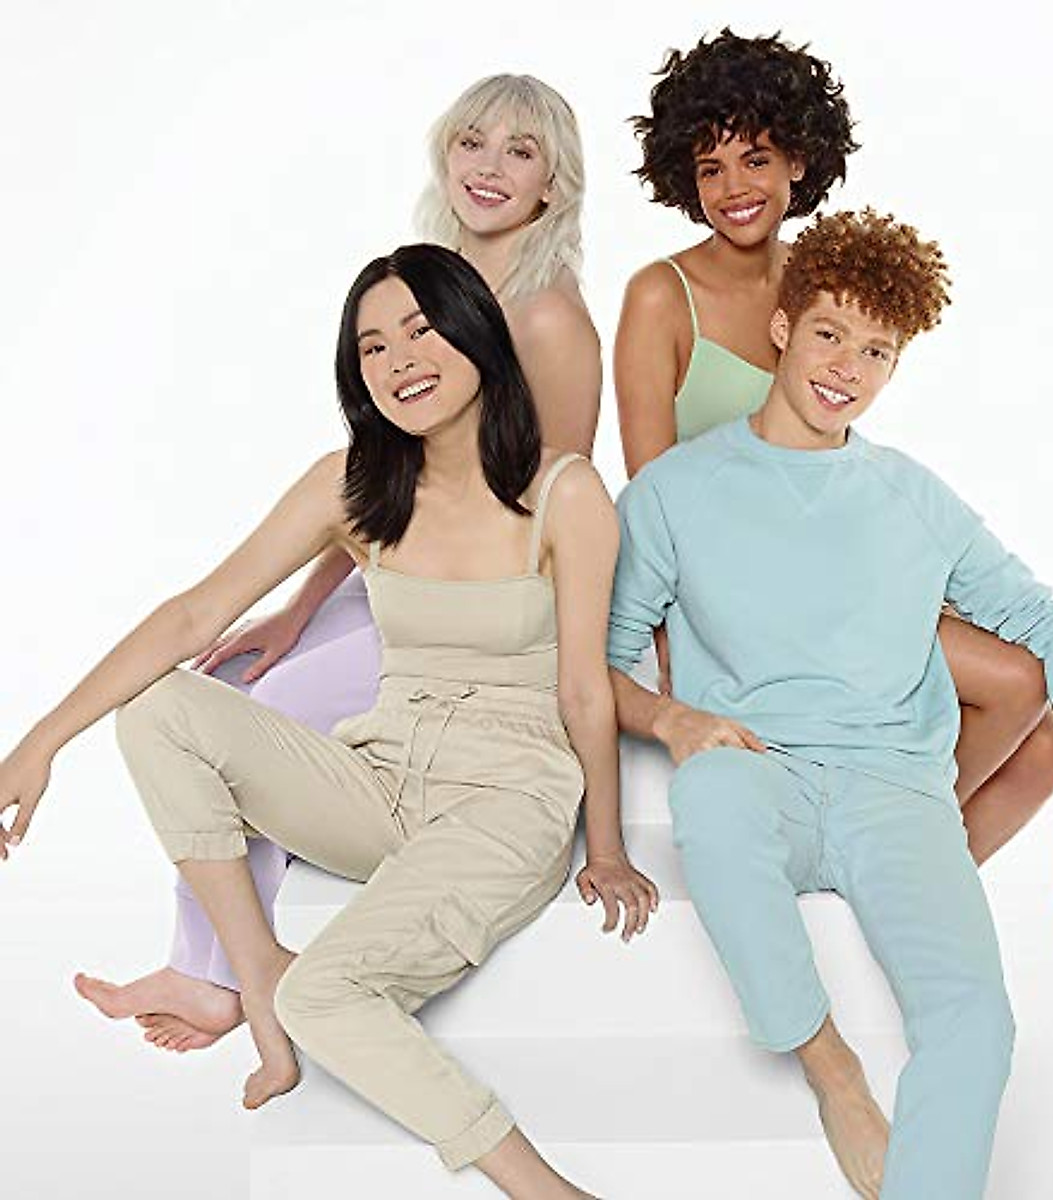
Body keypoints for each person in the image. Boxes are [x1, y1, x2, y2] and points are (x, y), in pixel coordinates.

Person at [0, 243, 656, 1199]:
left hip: (507, 800)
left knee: (331, 993)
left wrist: (605, 849)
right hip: (383, 778)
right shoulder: (353, 482)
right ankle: (257, 972)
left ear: (475, 334)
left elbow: (584, 691)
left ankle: (552, 1194)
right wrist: (39, 743)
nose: (399, 361)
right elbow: (195, 615)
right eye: (373, 346)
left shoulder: (566, 492)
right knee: (158, 706)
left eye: (421, 331)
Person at [72, 72, 605, 1054]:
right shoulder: (426, 281)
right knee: (231, 679)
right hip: (400, 570)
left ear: (553, 183)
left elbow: (545, 505)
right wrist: (298, 607)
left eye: (520, 151)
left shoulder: (549, 319)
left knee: (271, 716)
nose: (489, 166)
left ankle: (217, 980)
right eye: (473, 141)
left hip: (489, 608)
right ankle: (215, 957)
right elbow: (380, 489)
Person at [605, 209, 1053, 1200]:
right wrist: (672, 719)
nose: (847, 367)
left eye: (876, 350)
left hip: (897, 794)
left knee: (977, 1021)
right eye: (829, 333)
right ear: (783, 329)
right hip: (760, 771)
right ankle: (832, 1071)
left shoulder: (913, 498)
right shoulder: (675, 493)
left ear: (895, 367)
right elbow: (601, 665)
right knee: (710, 797)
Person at [615, 29, 1053, 866]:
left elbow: (838, 444)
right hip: (734, 593)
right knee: (1014, 683)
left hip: (830, 563)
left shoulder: (819, 277)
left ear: (799, 157)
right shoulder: (660, 295)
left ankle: (897, 866)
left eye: (755, 159)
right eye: (709, 168)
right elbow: (650, 490)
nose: (733, 188)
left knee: (1046, 741)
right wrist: (678, 645)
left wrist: (900, 577)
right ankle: (886, 852)